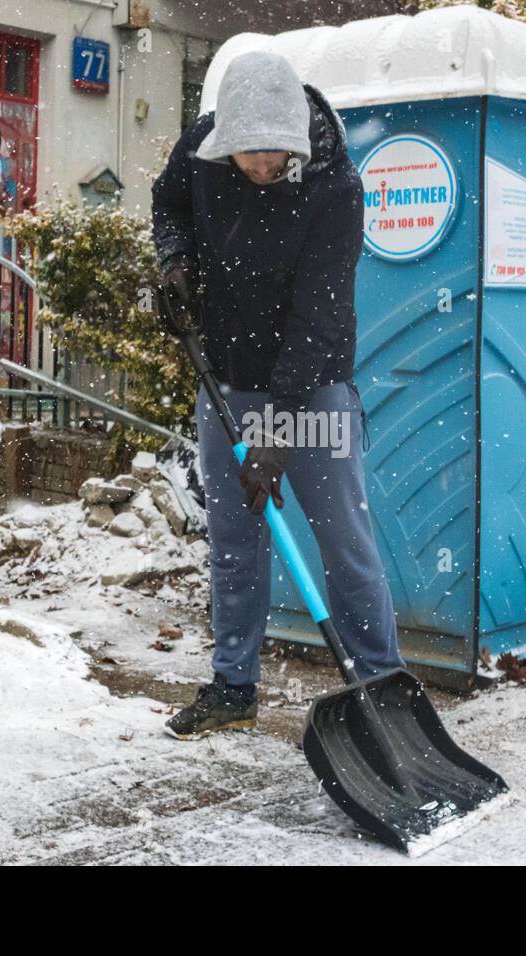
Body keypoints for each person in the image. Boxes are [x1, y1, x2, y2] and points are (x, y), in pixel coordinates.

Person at [151, 50, 404, 740]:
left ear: (296, 137)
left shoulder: (335, 187)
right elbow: (167, 203)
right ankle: (234, 685)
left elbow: (317, 319)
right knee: (235, 543)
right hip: (229, 379)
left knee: (343, 543)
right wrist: (175, 262)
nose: (261, 167)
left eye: (274, 154)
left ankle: (382, 688)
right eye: (247, 154)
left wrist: (276, 432)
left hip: (314, 390)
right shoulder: (203, 152)